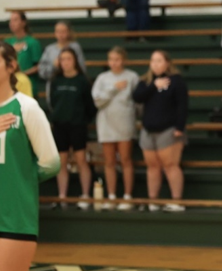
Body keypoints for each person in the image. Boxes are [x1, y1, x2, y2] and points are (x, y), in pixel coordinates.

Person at [0, 43, 60, 271]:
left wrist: (20, 183)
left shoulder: (26, 108)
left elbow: (50, 161)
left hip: (15, 220)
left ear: (10, 66)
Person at [132, 50, 188, 213]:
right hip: (148, 130)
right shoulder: (146, 81)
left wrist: (179, 127)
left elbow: (182, 105)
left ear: (167, 63)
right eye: (152, 61)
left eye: (159, 61)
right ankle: (153, 201)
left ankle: (177, 201)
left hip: (168, 130)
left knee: (170, 165)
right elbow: (137, 96)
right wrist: (153, 86)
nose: (155, 64)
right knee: (152, 166)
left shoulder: (176, 81)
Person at [47, 48, 96, 210]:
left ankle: (85, 195)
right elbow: (52, 103)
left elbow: (90, 106)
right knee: (61, 162)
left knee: (81, 160)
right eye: (62, 59)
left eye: (68, 59)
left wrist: (82, 120)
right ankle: (62, 196)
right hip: (60, 125)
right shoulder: (55, 80)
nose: (65, 62)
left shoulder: (82, 81)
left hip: (78, 126)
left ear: (74, 60)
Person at [92, 47, 139, 210]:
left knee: (126, 160)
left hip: (125, 123)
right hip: (106, 123)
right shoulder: (102, 78)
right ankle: (111, 196)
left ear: (124, 60)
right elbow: (97, 100)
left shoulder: (132, 76)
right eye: (111, 59)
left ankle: (127, 196)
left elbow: (138, 100)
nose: (114, 62)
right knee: (109, 161)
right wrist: (113, 88)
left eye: (117, 59)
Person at [4, 12, 42, 93]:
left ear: (23, 22)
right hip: (9, 86)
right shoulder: (7, 42)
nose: (12, 23)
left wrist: (21, 74)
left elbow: (38, 66)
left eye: (15, 20)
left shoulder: (33, 42)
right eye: (10, 20)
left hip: (27, 85)